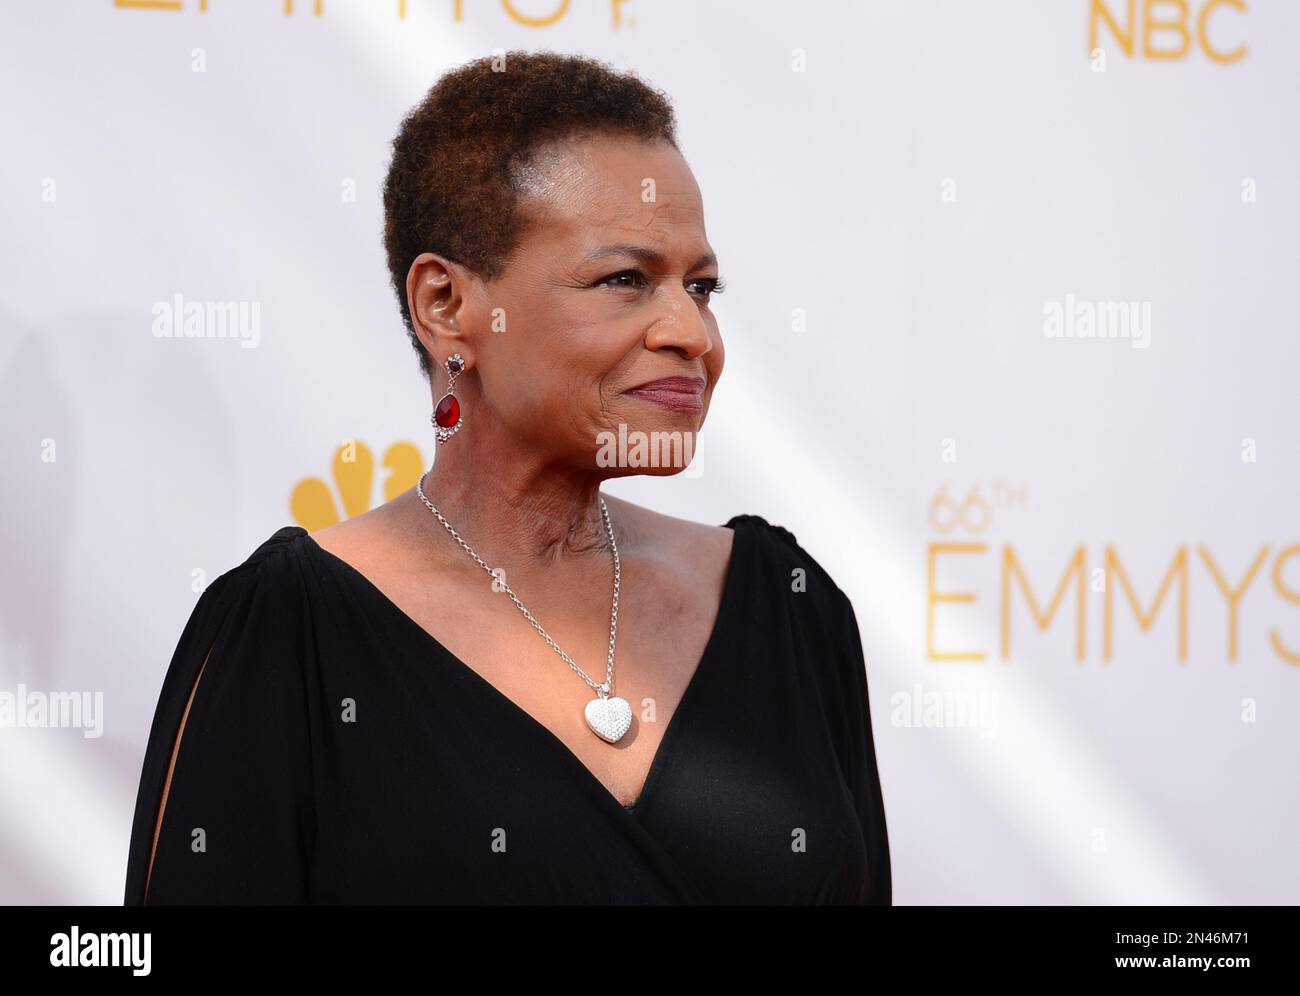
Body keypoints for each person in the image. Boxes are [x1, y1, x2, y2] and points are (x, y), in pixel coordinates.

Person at [123, 50, 890, 905]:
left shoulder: (788, 606)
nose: (692, 334)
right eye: (625, 280)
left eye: (701, 287)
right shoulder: (289, 636)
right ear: (447, 307)